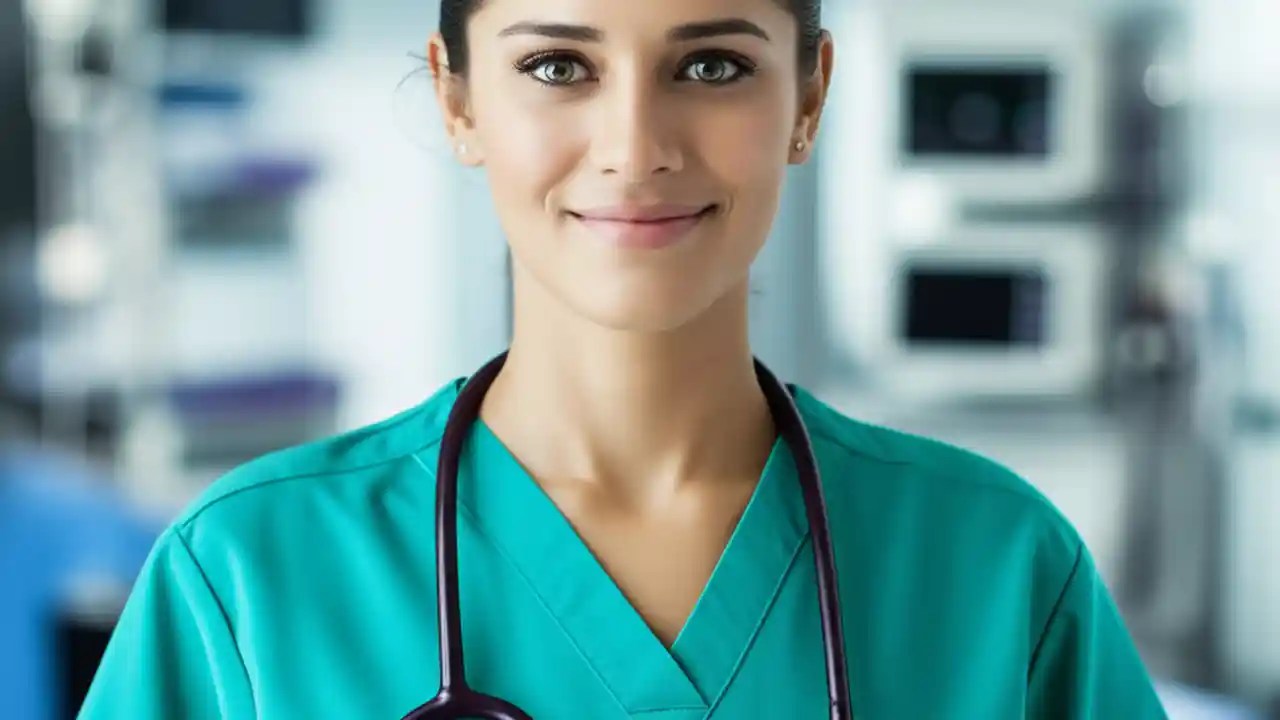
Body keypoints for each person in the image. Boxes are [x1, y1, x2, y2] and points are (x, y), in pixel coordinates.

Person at [79, 0, 1169, 717]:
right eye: (558, 66)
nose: (636, 145)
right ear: (458, 100)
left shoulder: (992, 568)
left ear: (808, 98)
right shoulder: (252, 577)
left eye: (711, 64)